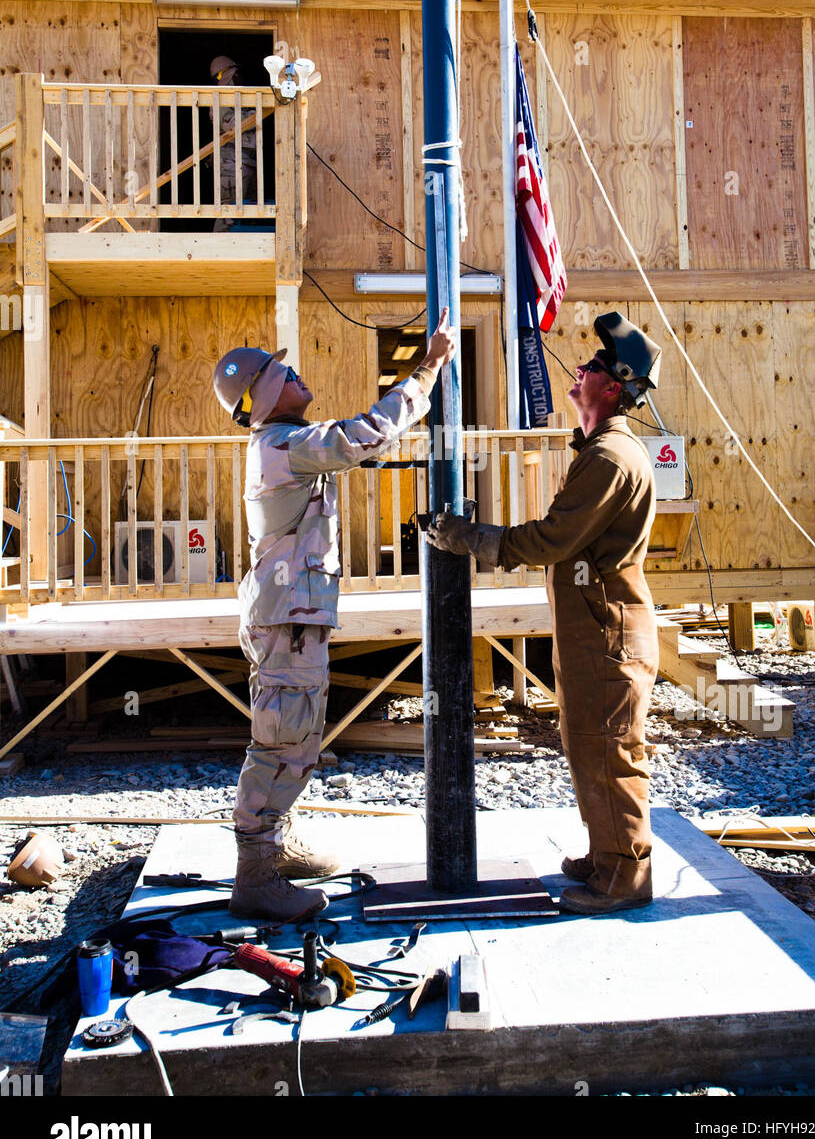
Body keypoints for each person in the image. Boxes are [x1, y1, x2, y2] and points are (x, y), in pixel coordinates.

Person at [213, 308, 456, 922]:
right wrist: (426, 371)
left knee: (294, 730)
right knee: (283, 737)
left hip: (290, 614)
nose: (294, 373)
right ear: (265, 395)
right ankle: (257, 873)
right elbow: (364, 434)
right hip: (288, 620)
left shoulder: (283, 444)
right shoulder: (283, 446)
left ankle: (276, 842)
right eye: (281, 372)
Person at [427, 312, 662, 916]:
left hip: (606, 630)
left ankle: (624, 874)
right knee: (587, 740)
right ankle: (608, 850)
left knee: (608, 745)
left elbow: (554, 539)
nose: (578, 370)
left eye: (591, 366)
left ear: (613, 386)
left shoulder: (611, 457)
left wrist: (472, 539)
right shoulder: (599, 451)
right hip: (592, 627)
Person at [209, 55, 258, 232]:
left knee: (248, 212)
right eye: (236, 74)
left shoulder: (240, 100)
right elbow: (232, 125)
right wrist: (256, 114)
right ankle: (217, 252)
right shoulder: (220, 100)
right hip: (231, 165)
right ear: (226, 75)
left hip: (248, 163)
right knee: (228, 212)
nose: (239, 78)